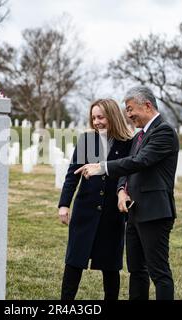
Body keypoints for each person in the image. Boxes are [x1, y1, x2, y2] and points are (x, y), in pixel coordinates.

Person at [75, 86, 179, 300]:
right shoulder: (140, 136)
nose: (129, 115)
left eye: (131, 109)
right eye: (127, 110)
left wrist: (101, 166)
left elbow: (140, 161)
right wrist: (122, 190)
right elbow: (128, 170)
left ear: (147, 105)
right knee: (136, 271)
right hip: (134, 211)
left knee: (159, 273)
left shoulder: (163, 131)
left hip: (155, 212)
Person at [58, 98, 133, 300]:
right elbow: (72, 175)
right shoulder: (87, 140)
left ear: (113, 116)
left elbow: (130, 175)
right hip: (85, 211)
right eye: (93, 118)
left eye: (101, 117)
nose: (97, 121)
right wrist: (64, 204)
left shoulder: (128, 143)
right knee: (74, 262)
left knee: (111, 267)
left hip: (112, 213)